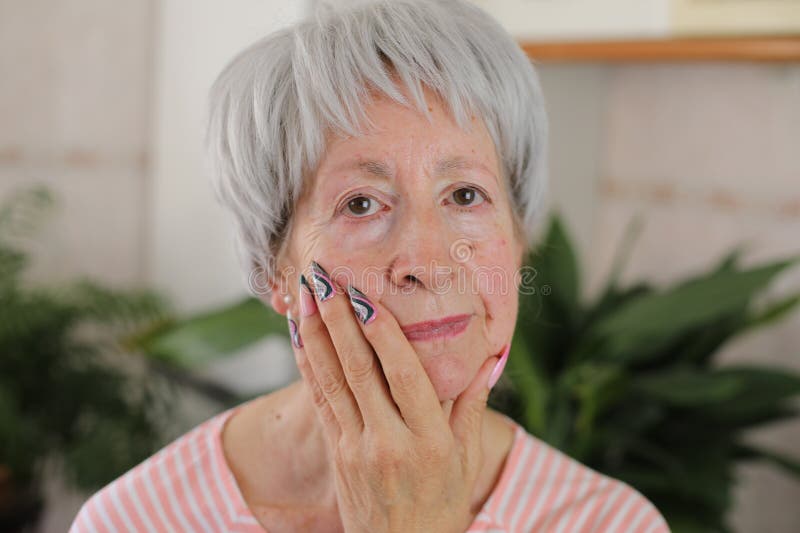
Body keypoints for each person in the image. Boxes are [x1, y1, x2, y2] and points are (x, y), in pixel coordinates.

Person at [70, 0, 670, 531]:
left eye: (465, 195)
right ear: (275, 267)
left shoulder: (608, 523)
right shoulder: (133, 522)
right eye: (360, 204)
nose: (429, 263)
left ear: (517, 241)